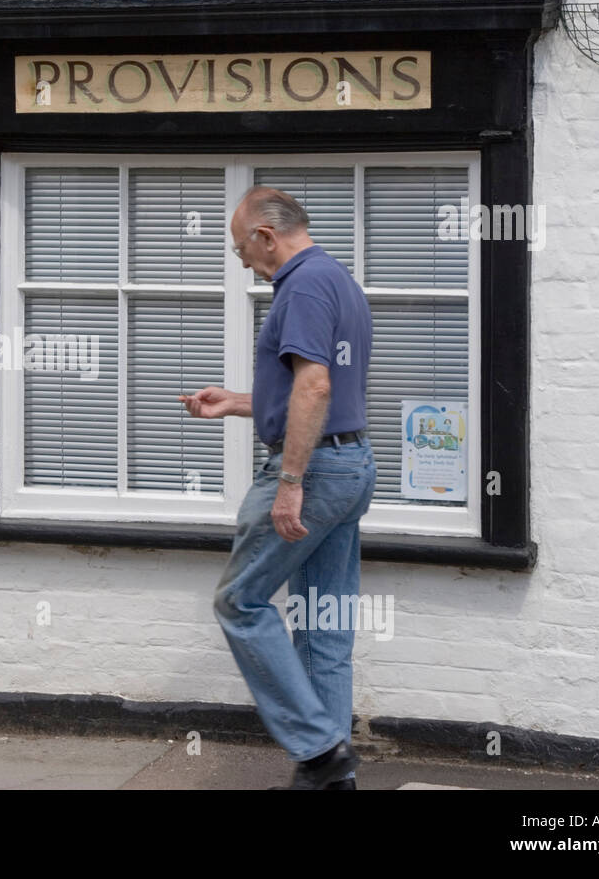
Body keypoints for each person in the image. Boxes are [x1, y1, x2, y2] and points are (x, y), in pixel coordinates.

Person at [179, 186, 375, 790]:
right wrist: (240, 402)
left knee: (239, 602)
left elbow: (315, 389)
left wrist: (290, 482)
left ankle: (318, 753)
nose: (242, 261)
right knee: (322, 623)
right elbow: (312, 390)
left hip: (314, 473)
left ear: (266, 236)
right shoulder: (335, 278)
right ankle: (330, 779)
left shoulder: (303, 285)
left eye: (241, 248)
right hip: (348, 465)